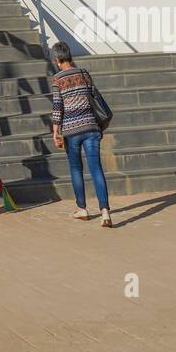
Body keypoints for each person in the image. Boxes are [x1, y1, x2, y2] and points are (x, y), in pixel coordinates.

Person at [50, 43, 113, 228]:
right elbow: (95, 98)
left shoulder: (58, 79)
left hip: (71, 131)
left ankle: (82, 209)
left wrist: (55, 133)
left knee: (76, 169)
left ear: (57, 59)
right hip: (91, 128)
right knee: (96, 169)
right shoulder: (84, 73)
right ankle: (105, 211)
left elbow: (57, 108)